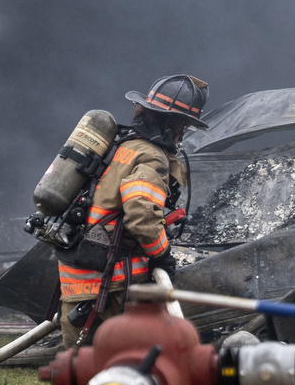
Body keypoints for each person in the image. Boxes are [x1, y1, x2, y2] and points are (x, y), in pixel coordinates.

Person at [55, 74, 206, 347]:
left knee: (78, 365)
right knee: (130, 362)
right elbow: (141, 214)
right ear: (177, 124)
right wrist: (162, 256)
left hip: (76, 279)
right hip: (114, 285)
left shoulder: (119, 146)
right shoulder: (152, 157)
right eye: (184, 125)